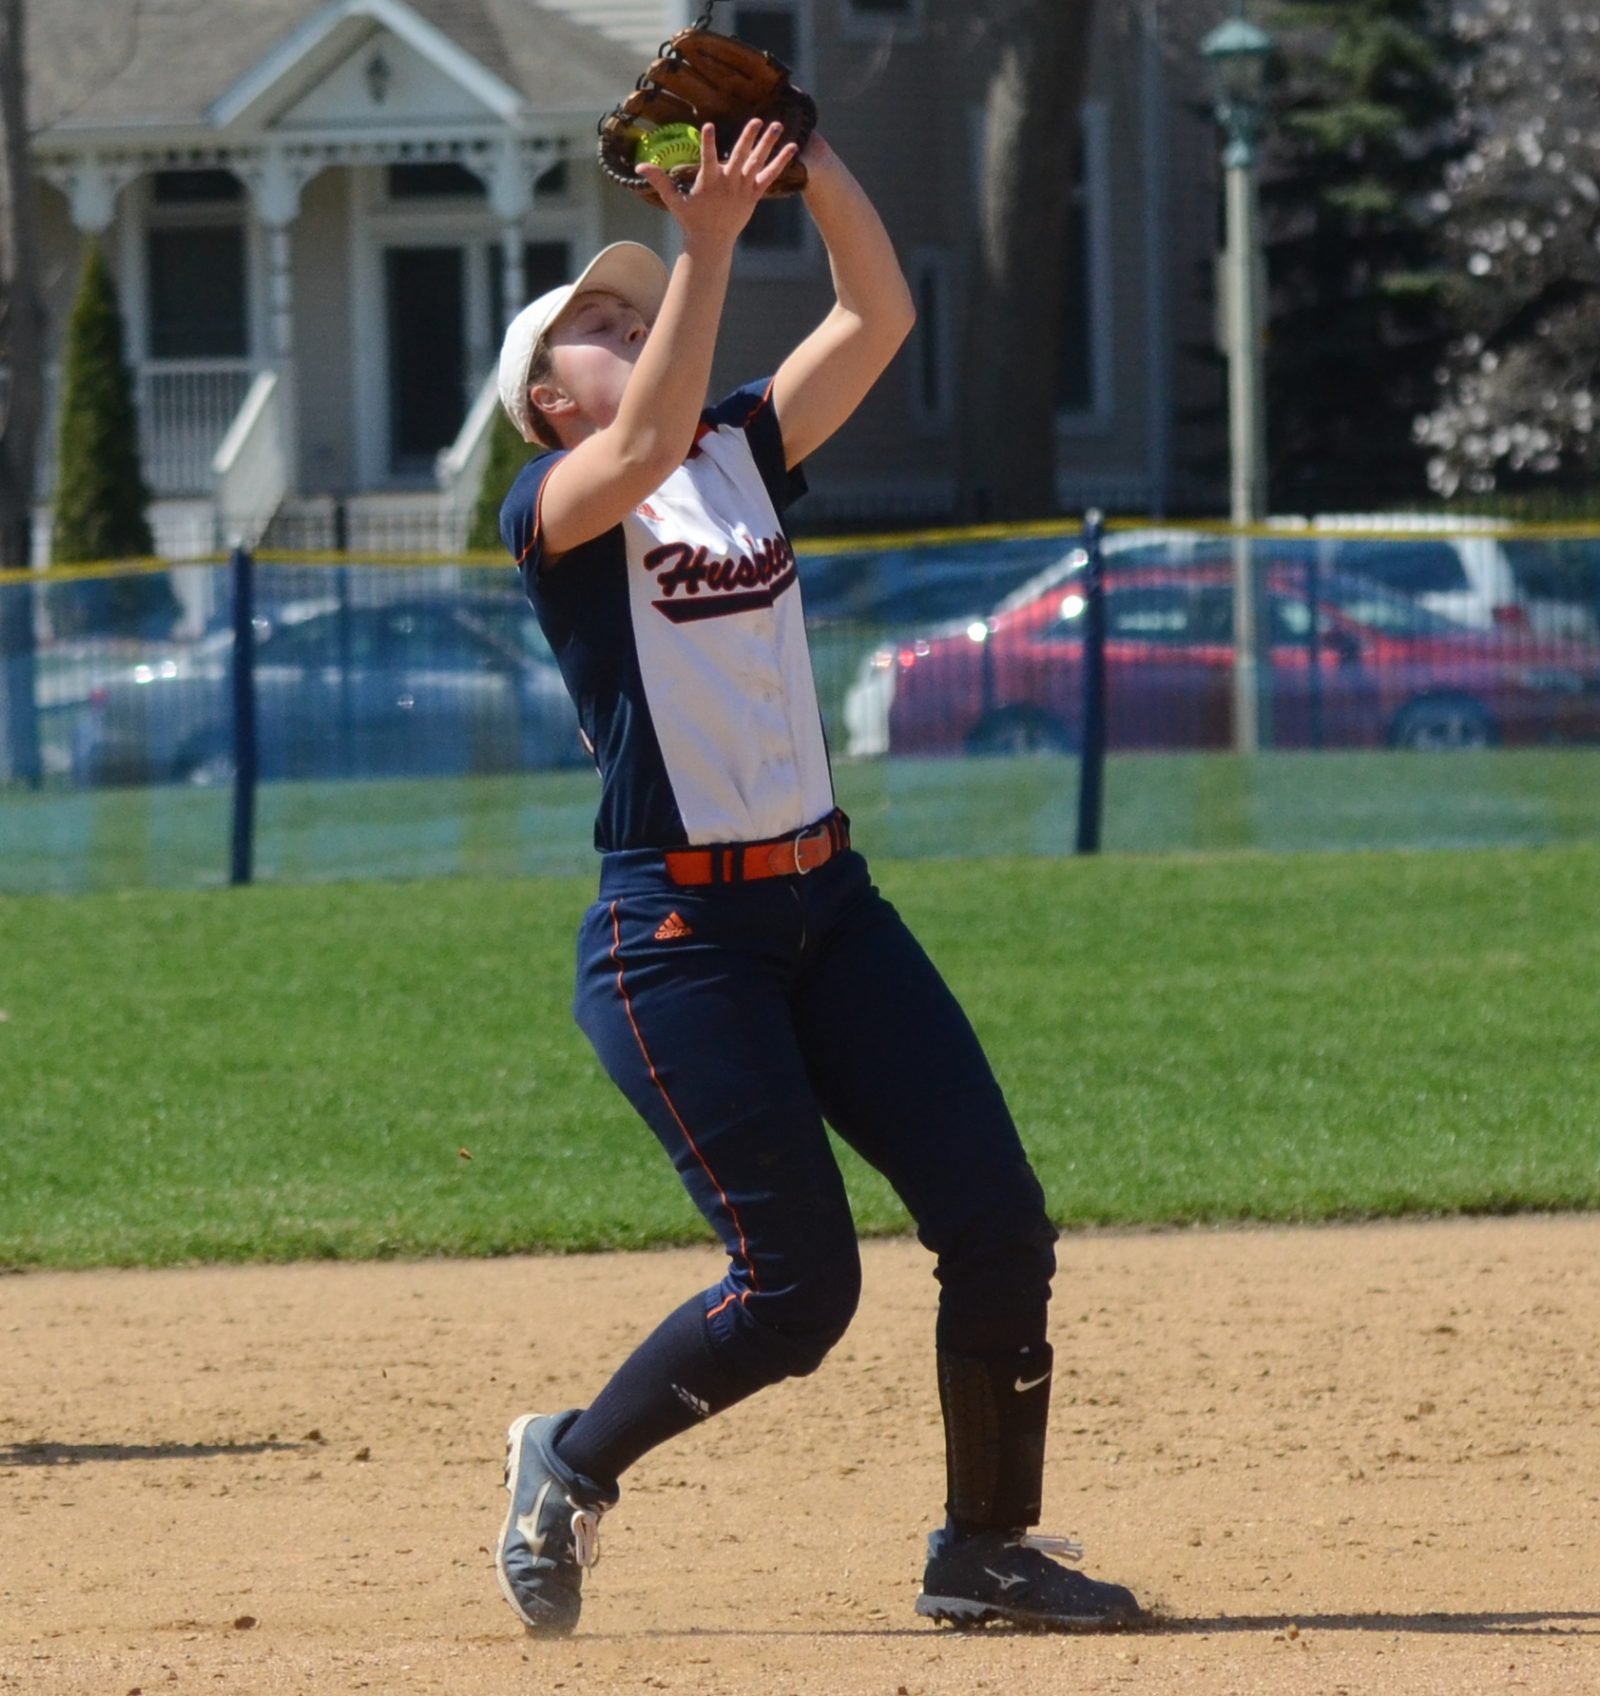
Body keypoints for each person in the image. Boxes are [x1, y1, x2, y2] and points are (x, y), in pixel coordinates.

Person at [490, 123, 1143, 1634]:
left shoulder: (735, 446)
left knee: (997, 1217)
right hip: (677, 935)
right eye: (599, 324)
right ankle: (570, 1463)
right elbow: (637, 447)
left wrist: (815, 158)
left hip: (828, 908)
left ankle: (986, 1549)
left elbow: (878, 317)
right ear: (541, 402)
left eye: (638, 309)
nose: (632, 322)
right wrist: (707, 241)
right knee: (797, 1288)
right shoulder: (559, 511)